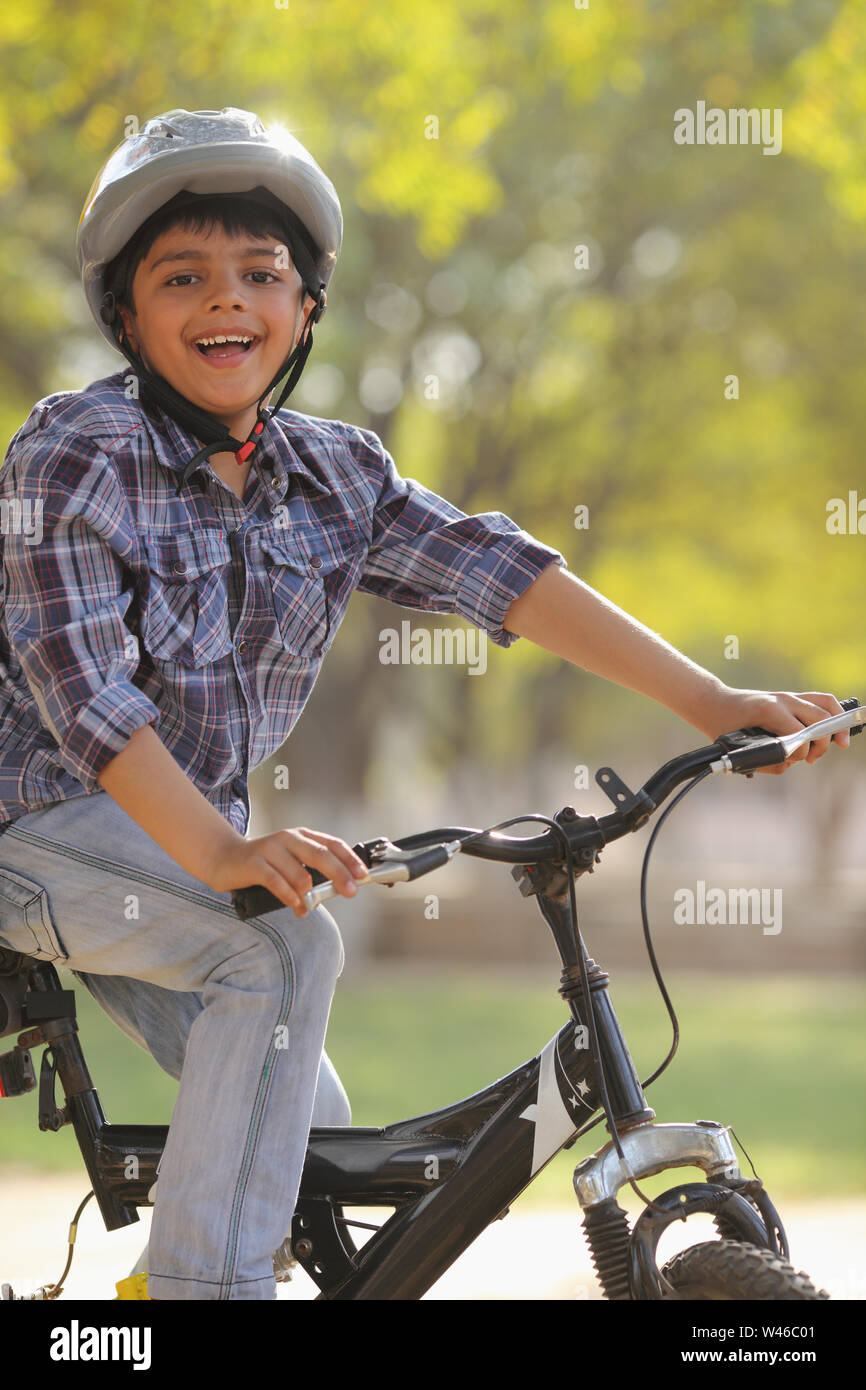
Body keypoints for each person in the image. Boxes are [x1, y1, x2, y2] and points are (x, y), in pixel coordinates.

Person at [0, 107, 850, 1301]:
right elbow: (83, 699)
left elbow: (497, 572)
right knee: (283, 947)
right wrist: (232, 847)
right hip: (32, 829)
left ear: (305, 310)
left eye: (261, 273)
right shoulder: (74, 454)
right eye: (180, 277)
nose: (224, 300)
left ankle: (131, 1316)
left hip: (172, 846)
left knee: (298, 1139)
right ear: (127, 315)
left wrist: (709, 699)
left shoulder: (334, 473)